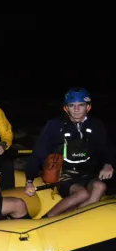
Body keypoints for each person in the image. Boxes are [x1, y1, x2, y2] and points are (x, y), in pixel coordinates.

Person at [24, 88, 115, 217]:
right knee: (82, 194)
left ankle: (73, 220)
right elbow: (38, 152)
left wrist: (108, 164)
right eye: (72, 106)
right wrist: (29, 180)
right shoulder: (55, 125)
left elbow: (107, 148)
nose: (76, 109)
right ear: (66, 108)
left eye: (81, 105)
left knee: (100, 187)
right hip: (63, 173)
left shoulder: (95, 125)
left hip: (86, 173)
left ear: (88, 107)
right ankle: (47, 219)